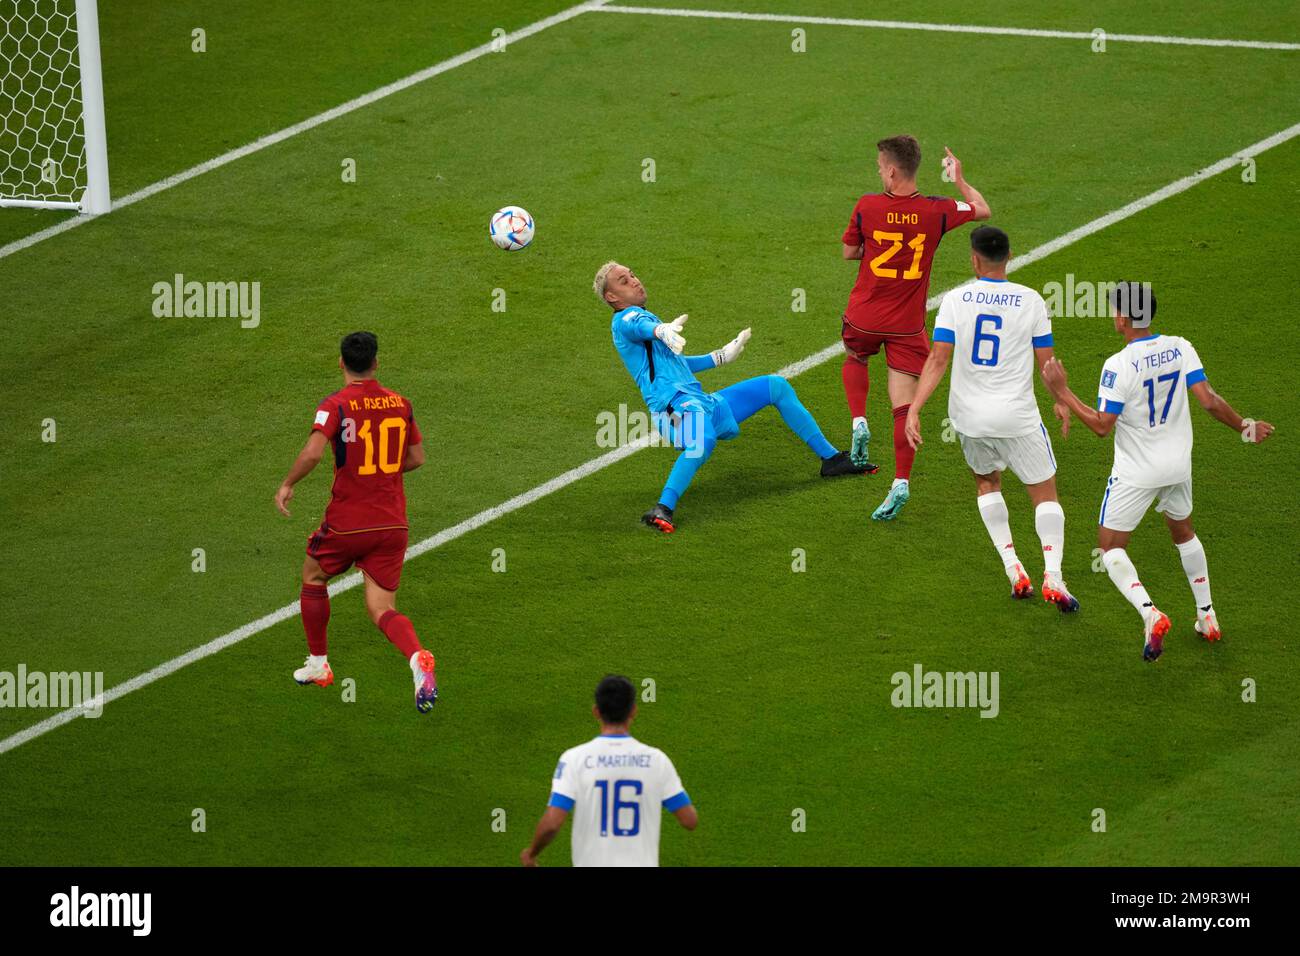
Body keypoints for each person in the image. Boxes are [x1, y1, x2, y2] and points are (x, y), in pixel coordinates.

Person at [1041, 284, 1274, 661]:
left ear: (1124, 317)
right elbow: (1210, 401)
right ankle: (1207, 616)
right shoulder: (1180, 346)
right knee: (1184, 533)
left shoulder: (1118, 365)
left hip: (1137, 473)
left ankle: (1151, 613)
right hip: (1178, 465)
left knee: (1111, 548)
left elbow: (1102, 425)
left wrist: (1063, 392)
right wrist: (1246, 428)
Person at [597, 261, 871, 534]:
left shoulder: (647, 317)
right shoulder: (625, 320)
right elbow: (641, 327)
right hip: (672, 409)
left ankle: (831, 459)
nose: (634, 280)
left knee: (776, 386)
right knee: (702, 440)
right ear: (612, 297)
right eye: (623, 280)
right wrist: (660, 330)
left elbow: (676, 365)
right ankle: (663, 508)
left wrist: (719, 357)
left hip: (701, 403)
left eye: (632, 274)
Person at [905, 226, 1076, 608]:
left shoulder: (955, 299)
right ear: (1010, 256)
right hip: (1017, 417)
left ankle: (1014, 567)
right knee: (1044, 494)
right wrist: (1061, 400)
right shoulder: (1031, 301)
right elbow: (1047, 362)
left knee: (987, 483)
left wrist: (915, 407)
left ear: (974, 259)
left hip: (968, 418)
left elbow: (938, 358)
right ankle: (1053, 575)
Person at [274, 331, 438, 710]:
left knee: (314, 575)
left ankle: (318, 664)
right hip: (392, 525)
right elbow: (416, 459)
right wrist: (381, 470)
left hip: (348, 522)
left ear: (341, 363)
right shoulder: (401, 403)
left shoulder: (335, 405)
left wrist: (287, 483)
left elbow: (314, 454)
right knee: (382, 609)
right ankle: (416, 657)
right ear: (377, 363)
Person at [839, 134, 991, 520]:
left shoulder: (867, 206)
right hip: (907, 325)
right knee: (904, 406)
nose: (878, 174)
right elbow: (982, 209)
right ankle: (901, 482)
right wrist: (958, 177)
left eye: (879, 168)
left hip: (865, 316)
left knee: (855, 356)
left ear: (891, 170)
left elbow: (849, 252)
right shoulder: (936, 210)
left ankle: (858, 421)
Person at [521, 675, 697, 867]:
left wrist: (532, 853)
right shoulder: (657, 761)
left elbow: (552, 824)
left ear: (596, 711)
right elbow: (689, 820)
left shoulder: (574, 759)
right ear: (633, 711)